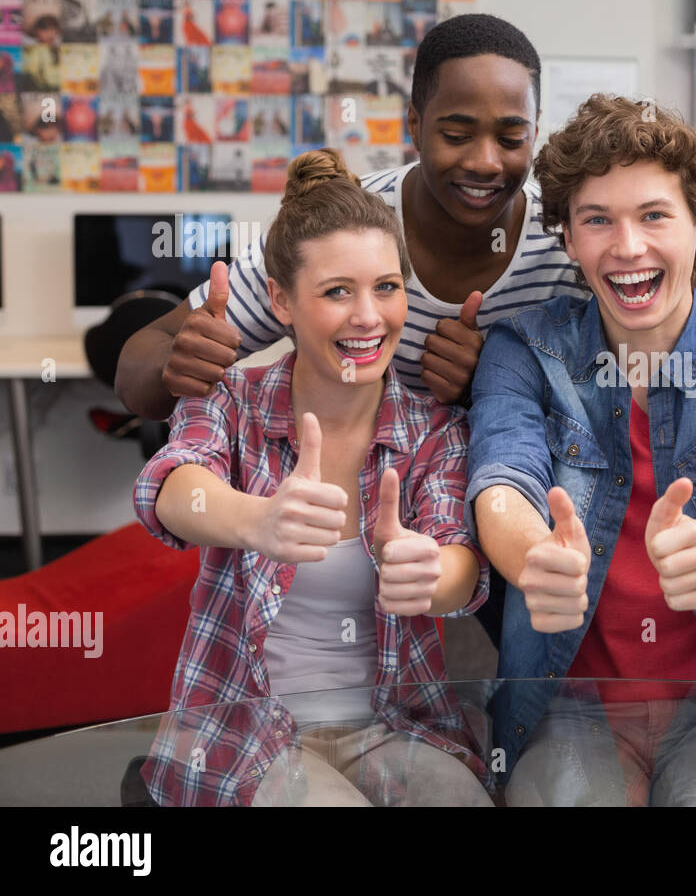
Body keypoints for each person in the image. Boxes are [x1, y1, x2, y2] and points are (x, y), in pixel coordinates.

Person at [115, 15, 585, 647]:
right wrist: (174, 370)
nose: (484, 161)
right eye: (455, 133)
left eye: (511, 136)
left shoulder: (570, 246)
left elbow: (609, 409)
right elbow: (139, 370)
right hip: (362, 545)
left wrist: (497, 384)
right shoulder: (349, 227)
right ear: (414, 125)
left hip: (501, 526)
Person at [468, 95, 696, 806]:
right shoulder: (521, 347)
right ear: (568, 240)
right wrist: (534, 560)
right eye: (598, 220)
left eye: (653, 216)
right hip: (571, 707)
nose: (627, 247)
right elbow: (503, 477)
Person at [134, 150, 492, 806]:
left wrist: (429, 575)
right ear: (280, 299)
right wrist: (258, 520)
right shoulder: (233, 401)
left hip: (393, 727)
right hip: (248, 732)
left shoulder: (433, 429)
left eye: (386, 287)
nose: (368, 317)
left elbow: (460, 567)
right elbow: (170, 486)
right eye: (337, 291)